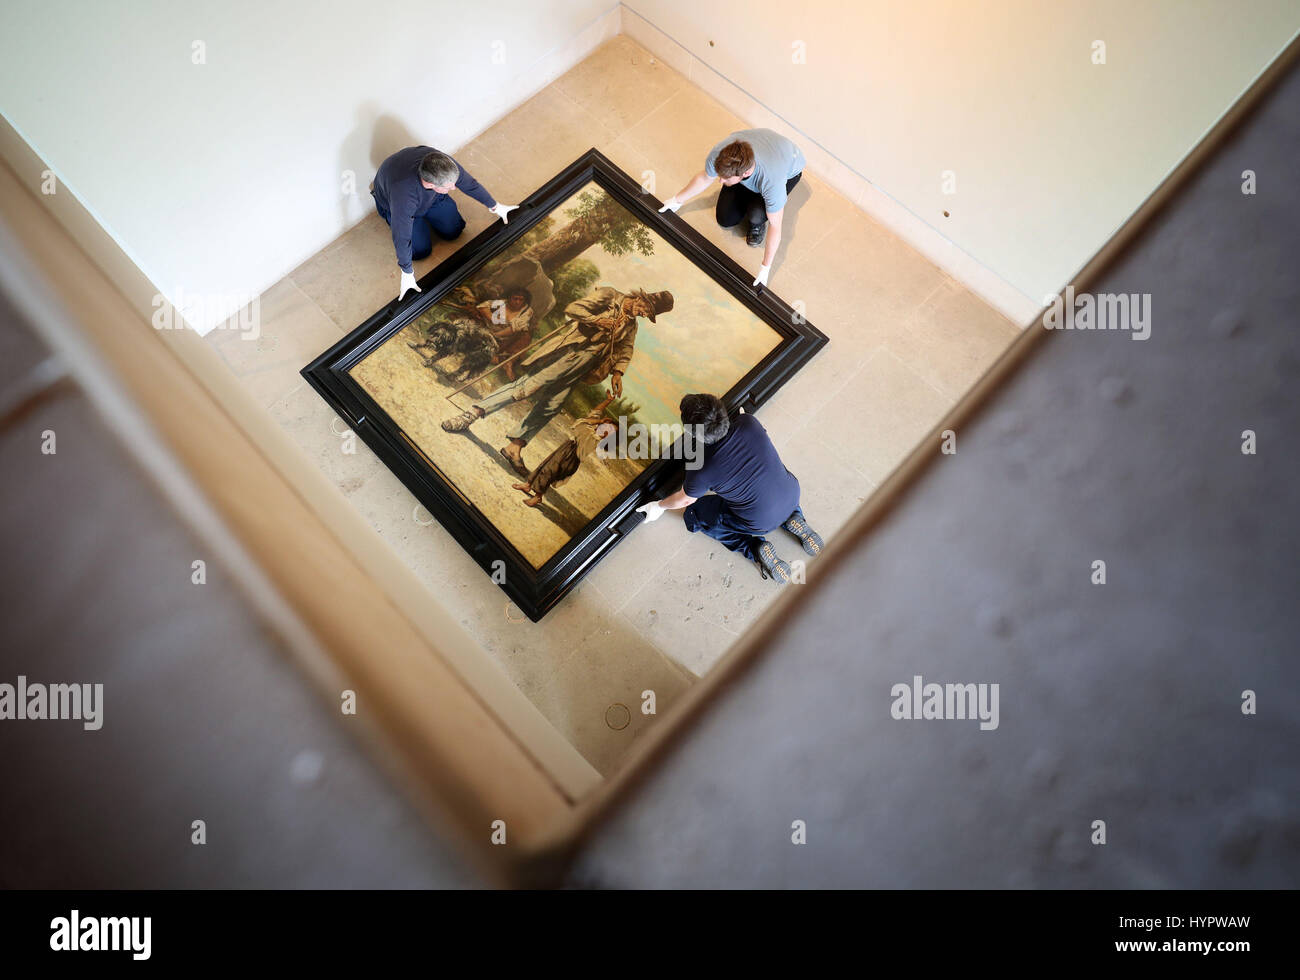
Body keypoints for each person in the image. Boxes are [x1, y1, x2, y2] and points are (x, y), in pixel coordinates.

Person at [440, 286, 675, 477]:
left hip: (583, 367)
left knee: (551, 406)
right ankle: (470, 415)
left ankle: (514, 448)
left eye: (648, 315)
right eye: (646, 309)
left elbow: (626, 349)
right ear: (642, 298)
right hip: (567, 352)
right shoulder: (609, 295)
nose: (643, 314)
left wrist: (618, 373)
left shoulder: (631, 325)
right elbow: (574, 308)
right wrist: (596, 320)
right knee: (525, 388)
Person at [636, 393, 823, 583]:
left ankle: (754, 548)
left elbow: (685, 499)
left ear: (692, 433)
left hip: (760, 522)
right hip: (791, 493)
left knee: (695, 514)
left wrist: (659, 506)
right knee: (767, 481)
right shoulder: (748, 423)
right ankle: (794, 517)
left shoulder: (701, 467)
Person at [657, 128, 806, 289]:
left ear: (745, 173)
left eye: (725, 178)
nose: (720, 181)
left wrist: (765, 267)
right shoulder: (722, 153)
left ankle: (757, 221)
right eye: (721, 175)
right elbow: (705, 177)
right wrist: (676, 200)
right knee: (725, 218)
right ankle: (744, 190)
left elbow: (776, 226)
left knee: (756, 215)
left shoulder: (772, 181)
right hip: (759, 151)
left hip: (788, 165)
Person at [372, 146, 518, 301]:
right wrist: (407, 272)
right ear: (430, 184)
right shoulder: (403, 195)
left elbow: (469, 184)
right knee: (420, 251)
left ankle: (436, 204)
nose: (454, 188)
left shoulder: (442, 164)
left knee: (454, 231)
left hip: (432, 198)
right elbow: (402, 236)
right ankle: (411, 219)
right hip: (399, 206)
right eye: (448, 187)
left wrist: (495, 206)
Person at [511, 390, 618, 507]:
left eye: (611, 431)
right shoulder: (593, 428)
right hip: (566, 449)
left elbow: (583, 422)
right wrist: (608, 401)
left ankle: (538, 497)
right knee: (544, 465)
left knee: (549, 472)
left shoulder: (596, 440)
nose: (607, 428)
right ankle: (528, 484)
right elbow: (595, 412)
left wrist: (599, 421)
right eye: (608, 425)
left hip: (571, 459)